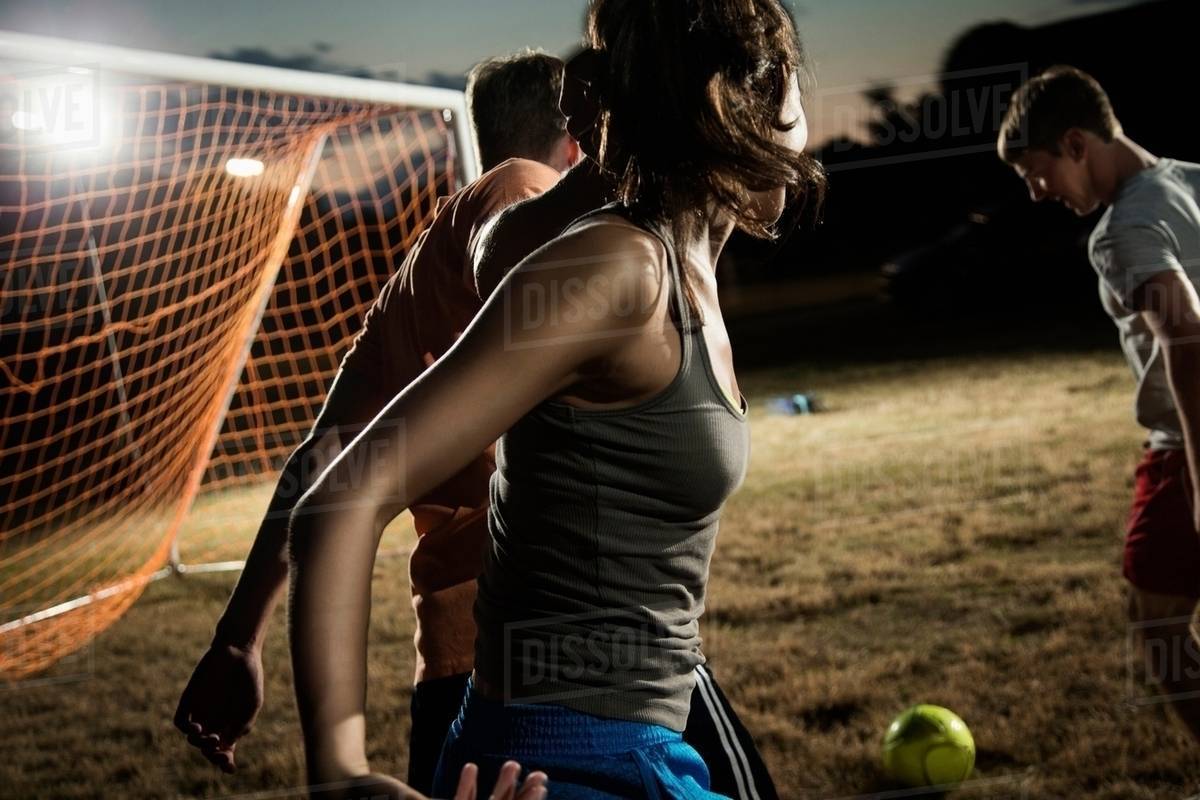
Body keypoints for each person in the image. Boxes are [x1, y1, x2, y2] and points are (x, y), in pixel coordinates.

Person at [284, 0, 825, 796]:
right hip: (560, 764)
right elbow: (340, 498)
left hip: (628, 745)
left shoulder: (677, 267)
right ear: (761, 92)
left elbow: (501, 245)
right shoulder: (617, 272)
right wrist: (339, 775)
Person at [173, 50, 575, 800]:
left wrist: (238, 639)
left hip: (453, 664)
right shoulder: (528, 190)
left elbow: (318, 458)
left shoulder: (413, 277)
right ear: (578, 142)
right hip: (551, 649)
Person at [999, 65, 1200, 742]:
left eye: (1036, 170)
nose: (1034, 192)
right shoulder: (1193, 182)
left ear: (1077, 144)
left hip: (1185, 448)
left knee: (1159, 622)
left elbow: (1185, 333)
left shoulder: (1121, 233)